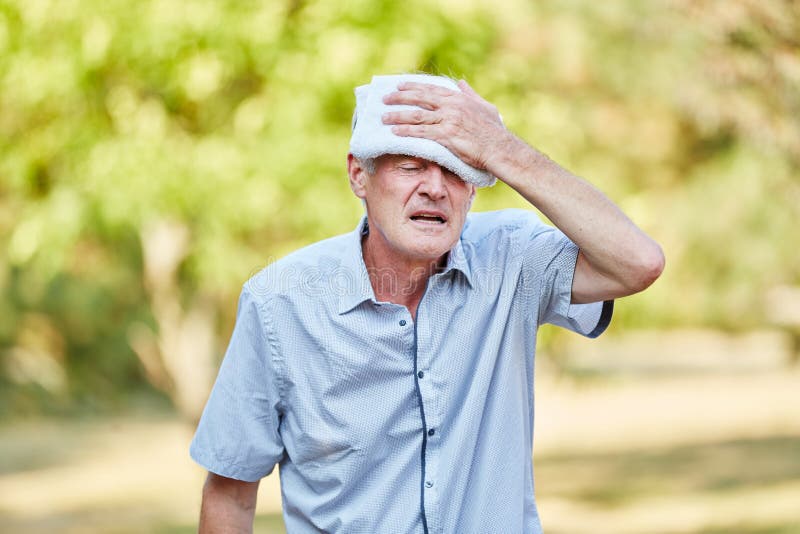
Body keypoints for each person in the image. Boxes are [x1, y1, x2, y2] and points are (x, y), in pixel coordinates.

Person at [190, 73, 664, 533]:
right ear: (359, 174)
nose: (436, 188)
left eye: (458, 169)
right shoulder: (280, 302)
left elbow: (638, 263)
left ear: (475, 187)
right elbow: (230, 494)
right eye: (411, 166)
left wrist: (501, 148)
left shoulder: (513, 259)